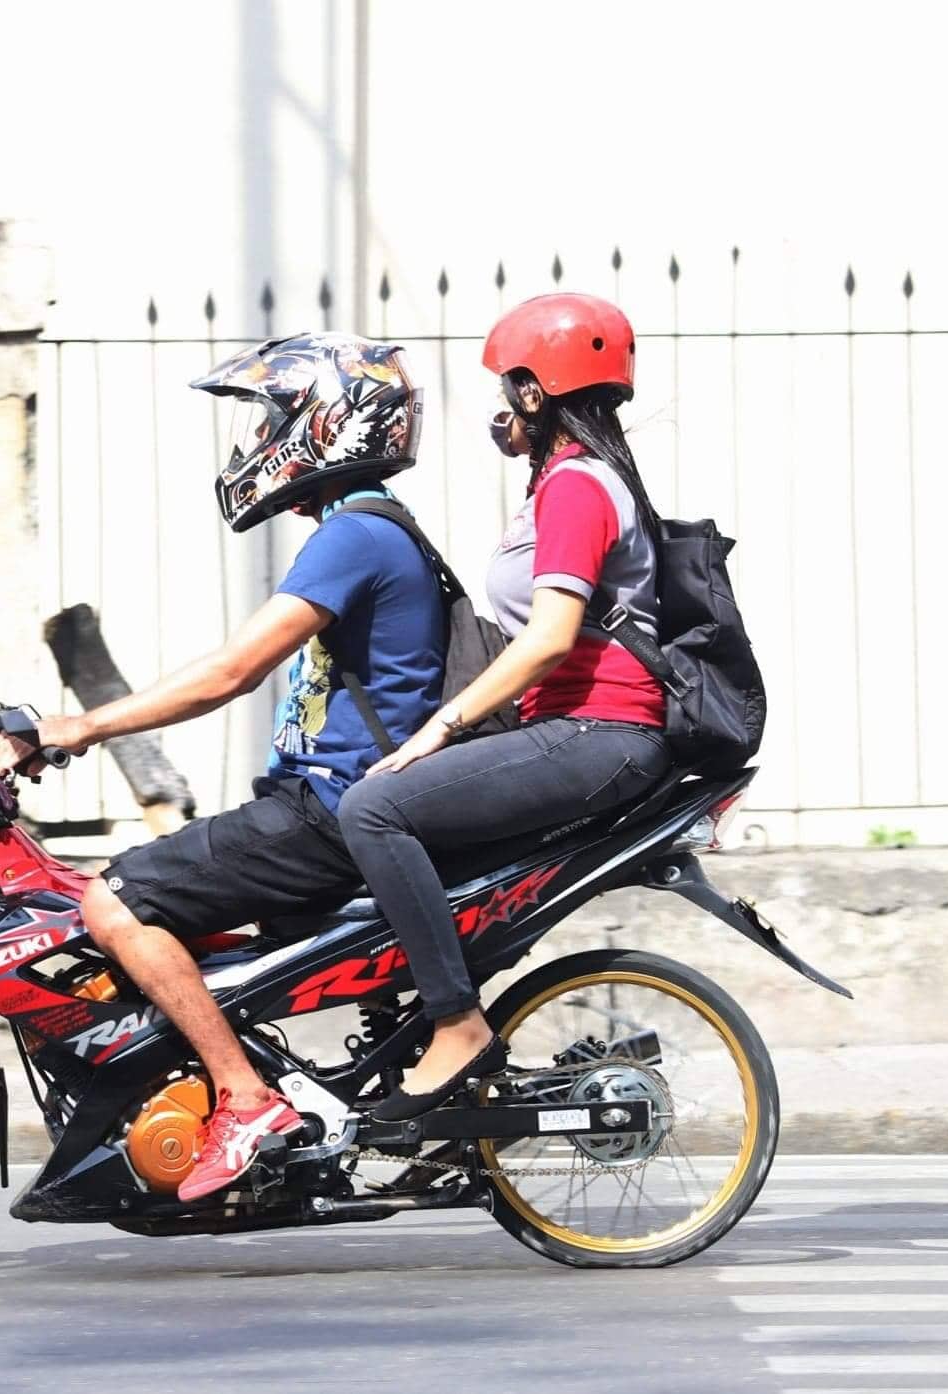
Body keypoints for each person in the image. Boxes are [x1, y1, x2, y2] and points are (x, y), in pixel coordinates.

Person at [0, 332, 444, 1201]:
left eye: (272, 419)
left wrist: (82, 726)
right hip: (327, 804)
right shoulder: (370, 527)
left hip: (329, 813)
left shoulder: (356, 535)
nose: (258, 440)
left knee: (114, 901)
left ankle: (244, 1099)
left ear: (329, 423)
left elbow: (230, 673)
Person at [336, 293, 674, 1121]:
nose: (499, 408)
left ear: (535, 390)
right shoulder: (572, 481)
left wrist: (440, 727)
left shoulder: (577, 487)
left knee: (374, 809)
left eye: (507, 387)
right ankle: (421, 1058)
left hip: (598, 732)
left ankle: (457, 1026)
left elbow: (550, 638)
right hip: (578, 730)